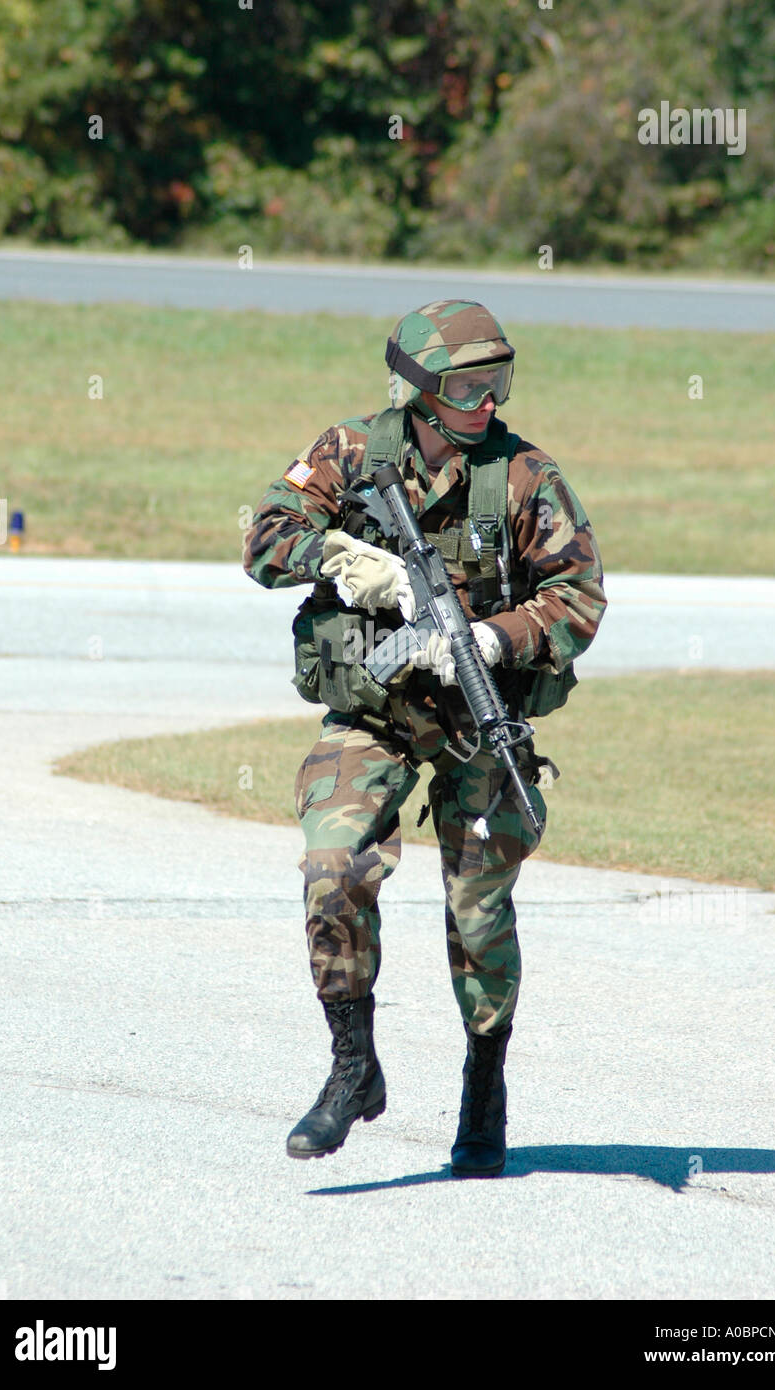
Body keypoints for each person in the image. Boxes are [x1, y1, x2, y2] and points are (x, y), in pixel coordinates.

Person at [243, 300, 607, 1177]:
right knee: (332, 868)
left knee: (478, 914)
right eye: (465, 385)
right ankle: (352, 1068)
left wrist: (490, 638)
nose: (485, 400)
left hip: (476, 724)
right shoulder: (350, 452)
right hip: (376, 711)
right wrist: (345, 560)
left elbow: (579, 599)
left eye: (498, 381)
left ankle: (485, 1090)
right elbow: (263, 540)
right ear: (416, 388)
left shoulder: (525, 477)